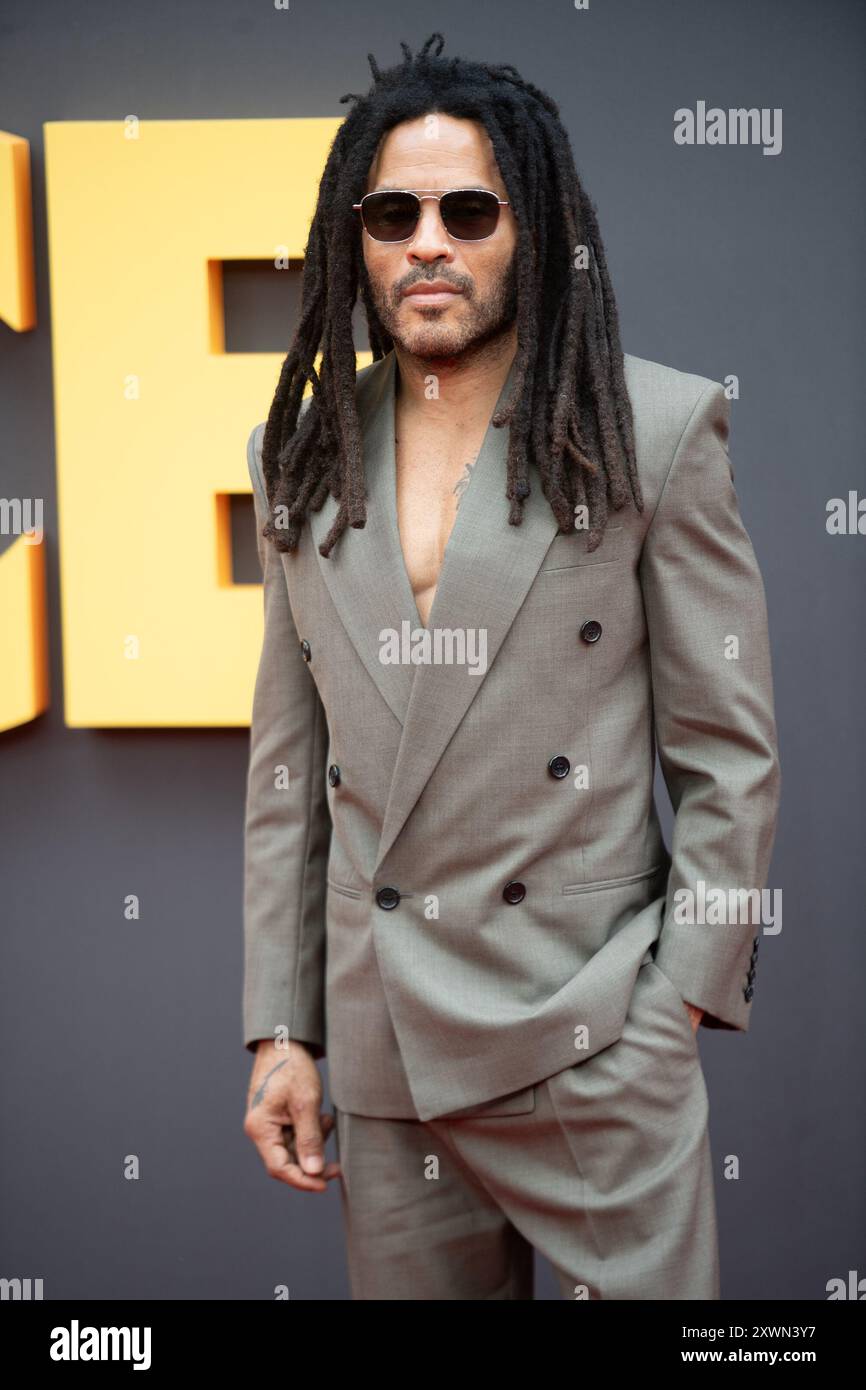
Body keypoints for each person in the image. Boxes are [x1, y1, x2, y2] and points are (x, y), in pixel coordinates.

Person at [241, 32, 780, 1300]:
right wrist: (283, 1031)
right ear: (354, 238)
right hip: (385, 1061)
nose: (427, 240)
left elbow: (728, 759)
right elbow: (286, 769)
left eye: (467, 209)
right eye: (393, 212)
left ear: (528, 228)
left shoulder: (651, 428)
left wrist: (673, 1012)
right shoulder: (299, 451)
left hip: (591, 1035)